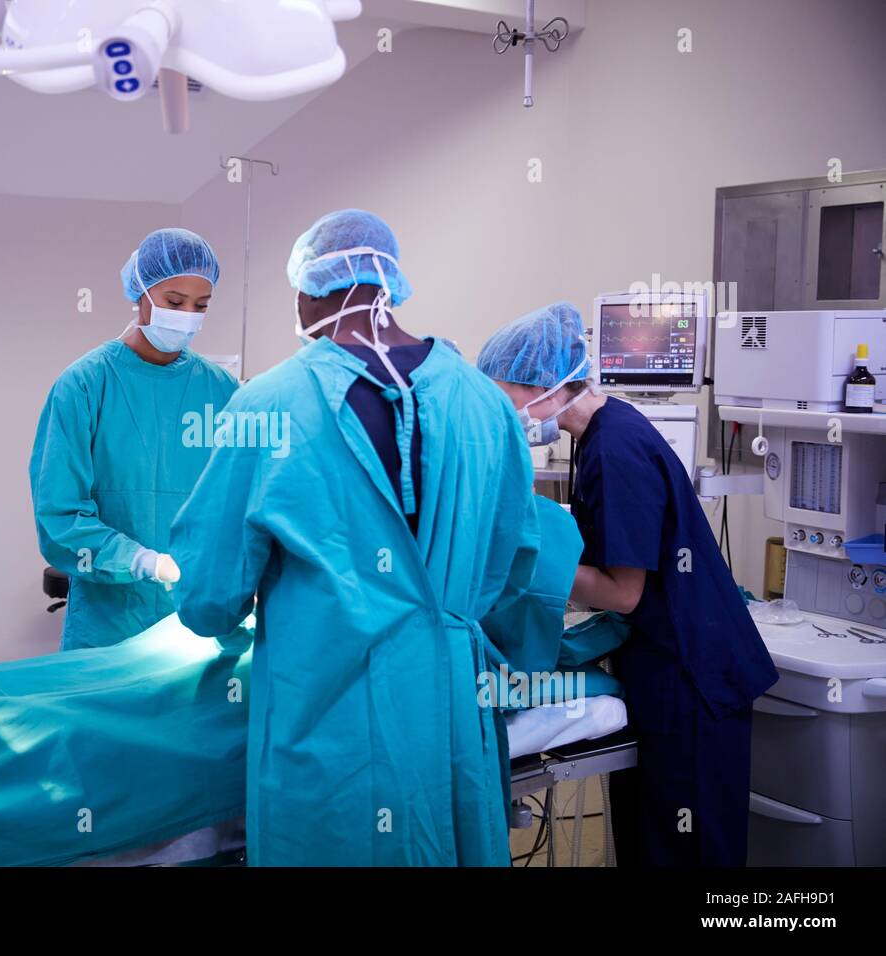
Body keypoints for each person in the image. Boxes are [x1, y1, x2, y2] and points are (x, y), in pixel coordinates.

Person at [170, 210, 540, 866]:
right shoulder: (486, 403)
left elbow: (209, 598)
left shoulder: (268, 407)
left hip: (330, 726)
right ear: (388, 285)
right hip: (453, 721)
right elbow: (511, 571)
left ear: (310, 291)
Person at [477, 301, 778, 867]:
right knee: (652, 843)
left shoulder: (615, 450)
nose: (503, 411)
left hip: (692, 681)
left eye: (505, 396)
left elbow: (623, 593)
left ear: (542, 384)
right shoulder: (602, 434)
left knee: (686, 852)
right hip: (668, 666)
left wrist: (527, 564)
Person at [29, 228, 238, 650]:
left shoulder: (222, 390)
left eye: (201, 306)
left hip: (198, 619)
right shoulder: (85, 385)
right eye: (174, 302)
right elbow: (60, 516)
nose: (188, 316)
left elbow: (238, 500)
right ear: (140, 293)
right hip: (110, 624)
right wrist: (143, 562)